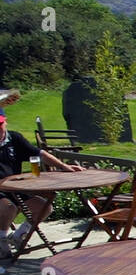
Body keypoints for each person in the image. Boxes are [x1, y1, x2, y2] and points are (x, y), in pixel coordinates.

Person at [0, 110, 82, 257]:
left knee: (45, 207)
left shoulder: (14, 138)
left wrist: (64, 167)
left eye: (0, 124)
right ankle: (1, 240)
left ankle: (18, 235)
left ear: (5, 122)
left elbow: (40, 154)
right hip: (1, 191)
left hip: (16, 187)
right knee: (9, 208)